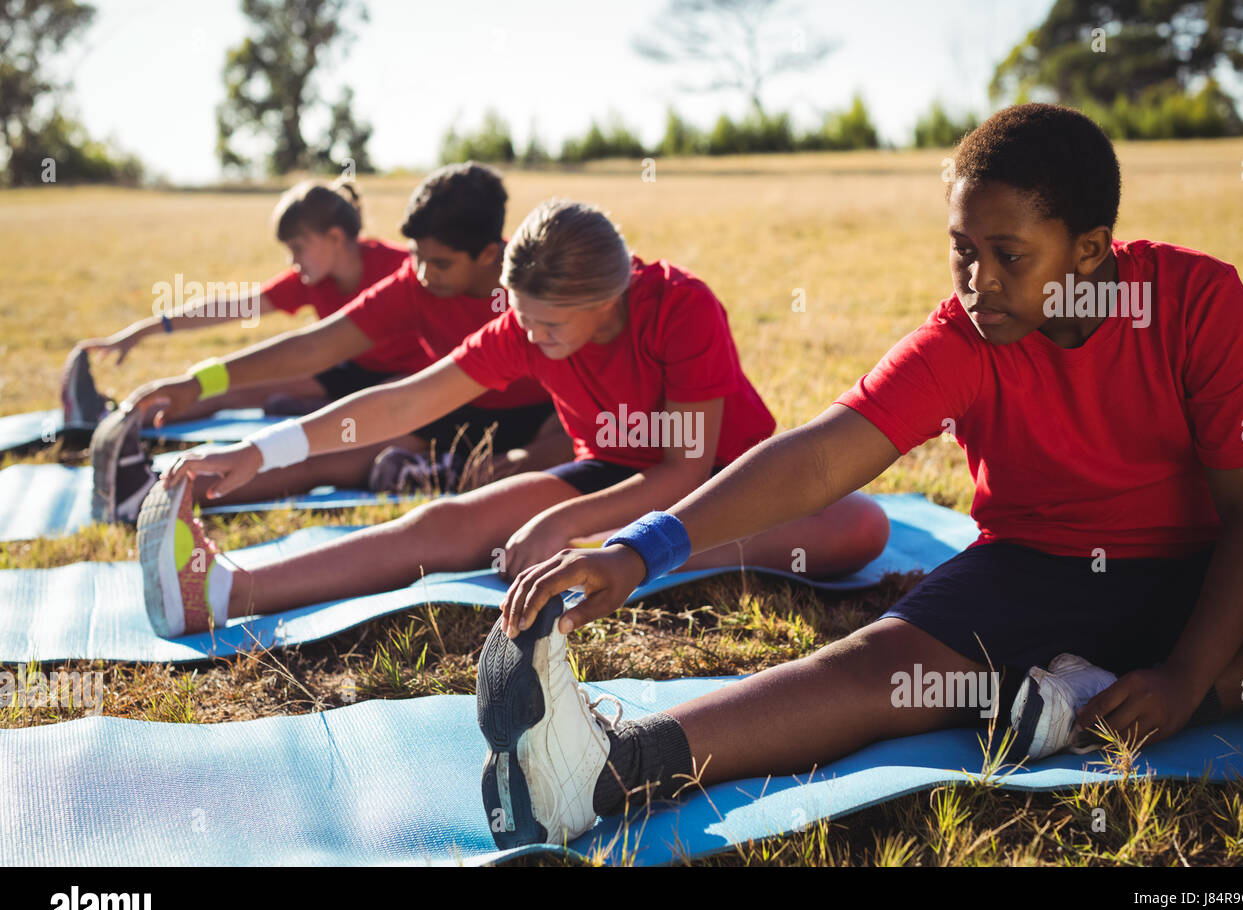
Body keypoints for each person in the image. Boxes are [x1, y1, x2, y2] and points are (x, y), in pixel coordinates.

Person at [476, 102, 1243, 850]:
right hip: (1035, 571)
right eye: (962, 250)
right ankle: (607, 771)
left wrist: (1192, 682)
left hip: (1207, 571)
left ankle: (1098, 701)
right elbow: (820, 455)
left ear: (1089, 252)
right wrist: (640, 549)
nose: (978, 280)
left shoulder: (1196, 300)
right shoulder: (964, 340)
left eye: (1008, 255)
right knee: (873, 670)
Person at [134, 198, 889, 641]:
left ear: (608, 300)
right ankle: (226, 593)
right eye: (521, 320)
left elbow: (686, 469)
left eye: (549, 325)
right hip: (615, 475)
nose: (529, 339)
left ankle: (607, 555)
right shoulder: (524, 326)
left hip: (726, 479)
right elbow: (403, 402)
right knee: (445, 526)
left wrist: (573, 530)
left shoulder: (681, 308)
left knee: (858, 529)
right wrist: (259, 454)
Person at [90, 163, 568, 521]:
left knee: (545, 464)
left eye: (439, 264)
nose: (422, 273)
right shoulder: (413, 283)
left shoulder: (539, 282)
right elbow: (312, 347)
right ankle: (155, 495)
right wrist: (198, 383)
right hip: (461, 405)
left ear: (490, 253)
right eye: (417, 257)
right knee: (333, 452)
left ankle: (445, 473)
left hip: (551, 415)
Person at [70, 176, 412, 423]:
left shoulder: (402, 268)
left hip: (409, 382)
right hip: (351, 371)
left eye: (297, 247)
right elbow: (234, 307)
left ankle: (312, 408)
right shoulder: (311, 280)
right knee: (229, 389)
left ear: (335, 237)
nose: (292, 261)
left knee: (367, 407)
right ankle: (111, 420)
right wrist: (144, 330)